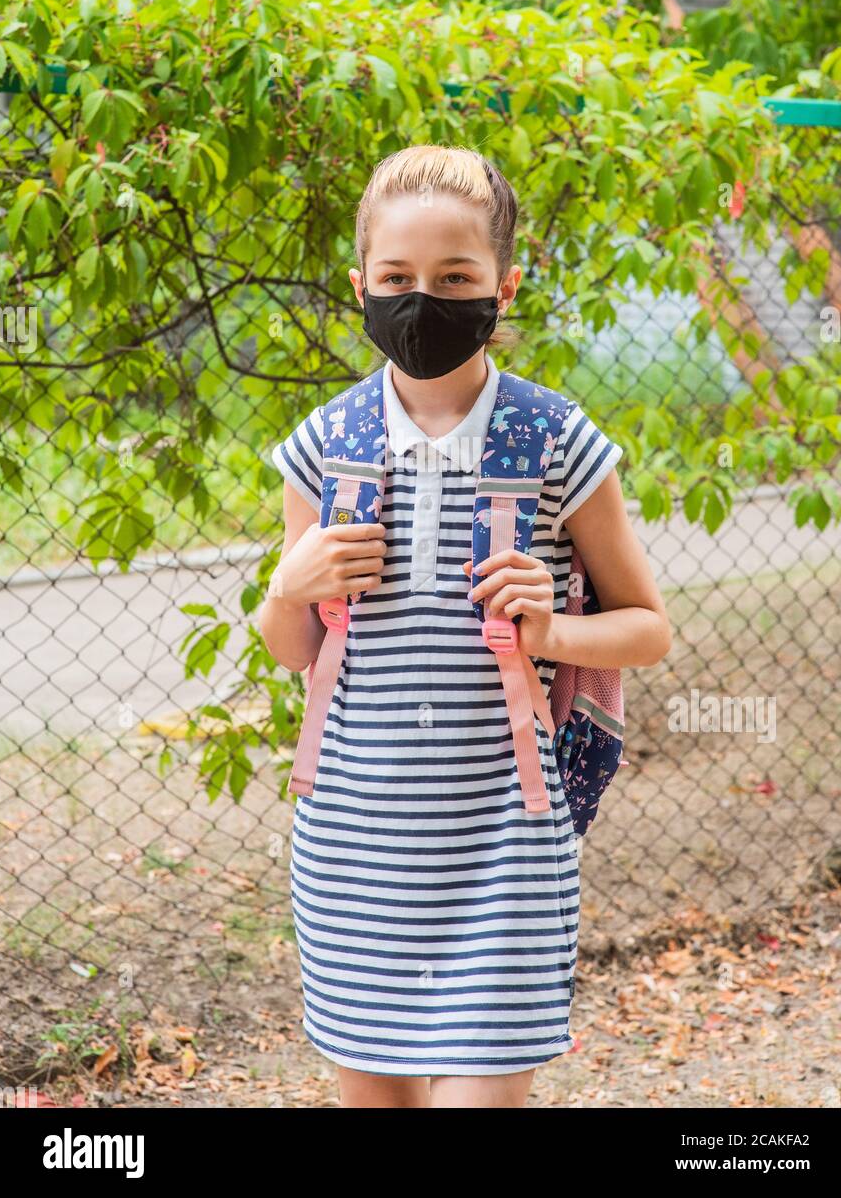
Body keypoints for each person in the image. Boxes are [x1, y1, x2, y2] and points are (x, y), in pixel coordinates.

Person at [261, 145, 671, 1108]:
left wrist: (554, 635)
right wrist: (287, 587)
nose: (421, 300)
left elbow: (648, 628)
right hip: (355, 843)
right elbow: (300, 654)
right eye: (397, 279)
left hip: (506, 845)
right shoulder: (324, 445)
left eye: (454, 279)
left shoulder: (558, 441)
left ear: (504, 287)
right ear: (359, 285)